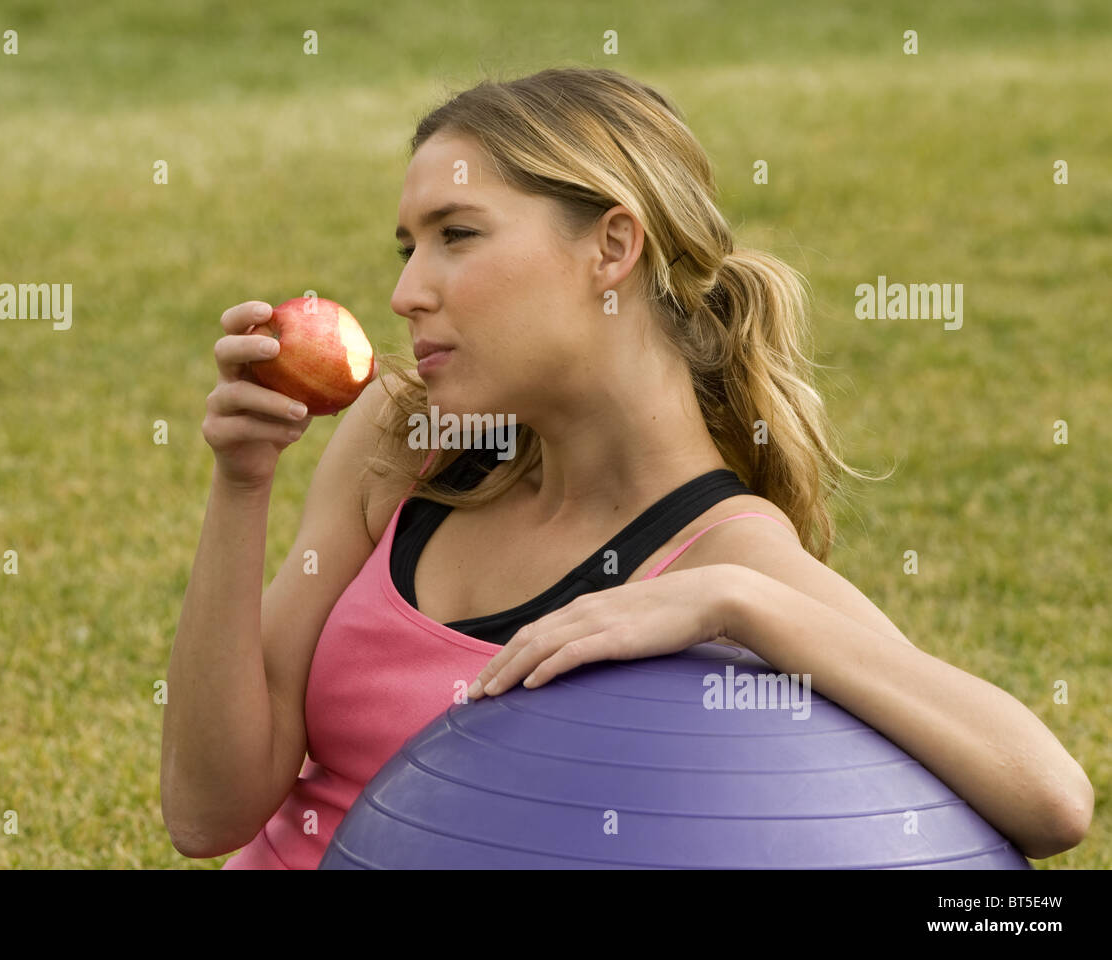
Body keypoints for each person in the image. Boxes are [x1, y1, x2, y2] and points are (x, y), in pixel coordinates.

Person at [160, 67, 1093, 868]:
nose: (407, 292)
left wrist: (739, 607)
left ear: (613, 245)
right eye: (408, 248)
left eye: (459, 235)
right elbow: (209, 813)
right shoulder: (407, 436)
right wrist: (241, 485)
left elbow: (1052, 799)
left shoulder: (723, 556)